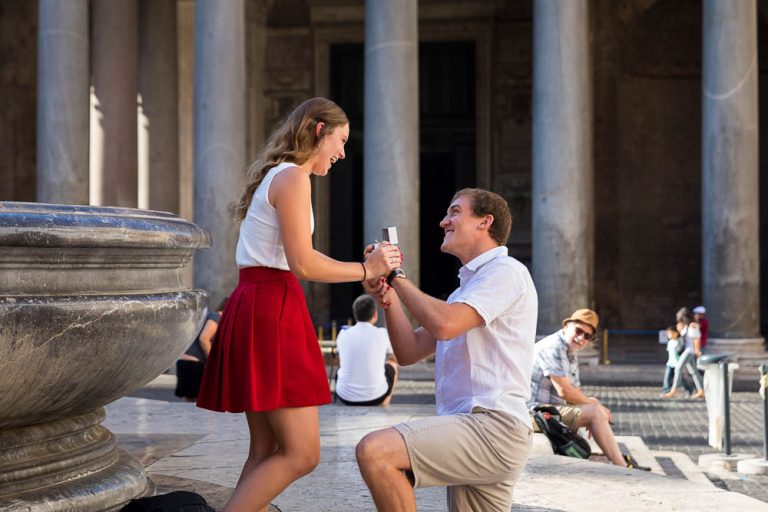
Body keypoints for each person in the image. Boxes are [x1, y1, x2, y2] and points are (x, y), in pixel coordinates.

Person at [195, 97, 401, 512]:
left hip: (256, 303)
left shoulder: (280, 176)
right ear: (319, 131)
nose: (343, 153)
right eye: (341, 141)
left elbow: (297, 258)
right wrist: (367, 268)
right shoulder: (293, 177)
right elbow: (303, 263)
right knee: (302, 454)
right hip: (272, 307)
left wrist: (364, 268)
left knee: (265, 450)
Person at [356, 188, 537, 512]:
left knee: (376, 451)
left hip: (492, 427)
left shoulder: (506, 272)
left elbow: (445, 325)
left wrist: (395, 274)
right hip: (475, 427)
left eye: (455, 212)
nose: (443, 221)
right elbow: (409, 351)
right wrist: (388, 296)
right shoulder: (462, 294)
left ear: (485, 222)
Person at [528, 309, 649, 470]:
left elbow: (574, 390)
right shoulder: (554, 347)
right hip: (534, 413)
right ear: (566, 326)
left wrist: (592, 408)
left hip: (548, 409)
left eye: (587, 336)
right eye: (578, 331)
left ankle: (615, 458)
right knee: (595, 411)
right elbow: (565, 391)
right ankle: (622, 466)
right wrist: (595, 411)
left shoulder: (568, 349)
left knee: (594, 406)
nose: (581, 338)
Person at [336, 294, 398, 406]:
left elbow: (340, 360)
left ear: (355, 314)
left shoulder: (343, 334)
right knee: (392, 364)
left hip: (345, 396)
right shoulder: (382, 333)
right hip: (376, 396)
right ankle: (384, 403)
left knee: (342, 368)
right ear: (375, 315)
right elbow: (395, 358)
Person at [175, 297, 228, 401]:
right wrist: (213, 361)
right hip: (193, 363)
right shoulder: (217, 318)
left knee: (190, 402)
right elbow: (204, 338)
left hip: (185, 360)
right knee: (198, 401)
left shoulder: (208, 315)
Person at [661, 307, 704, 399]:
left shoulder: (692, 326)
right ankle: (701, 390)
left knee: (678, 368)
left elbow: (696, 339)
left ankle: (673, 390)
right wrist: (680, 329)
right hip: (688, 351)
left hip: (689, 351)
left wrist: (697, 351)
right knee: (694, 372)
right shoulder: (686, 326)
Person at [660, 325, 683, 395]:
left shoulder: (679, 342)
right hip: (670, 363)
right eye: (669, 334)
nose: (670, 335)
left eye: (672, 333)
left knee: (680, 379)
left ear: (676, 333)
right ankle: (666, 390)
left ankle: (689, 389)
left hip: (677, 364)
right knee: (667, 378)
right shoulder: (669, 342)